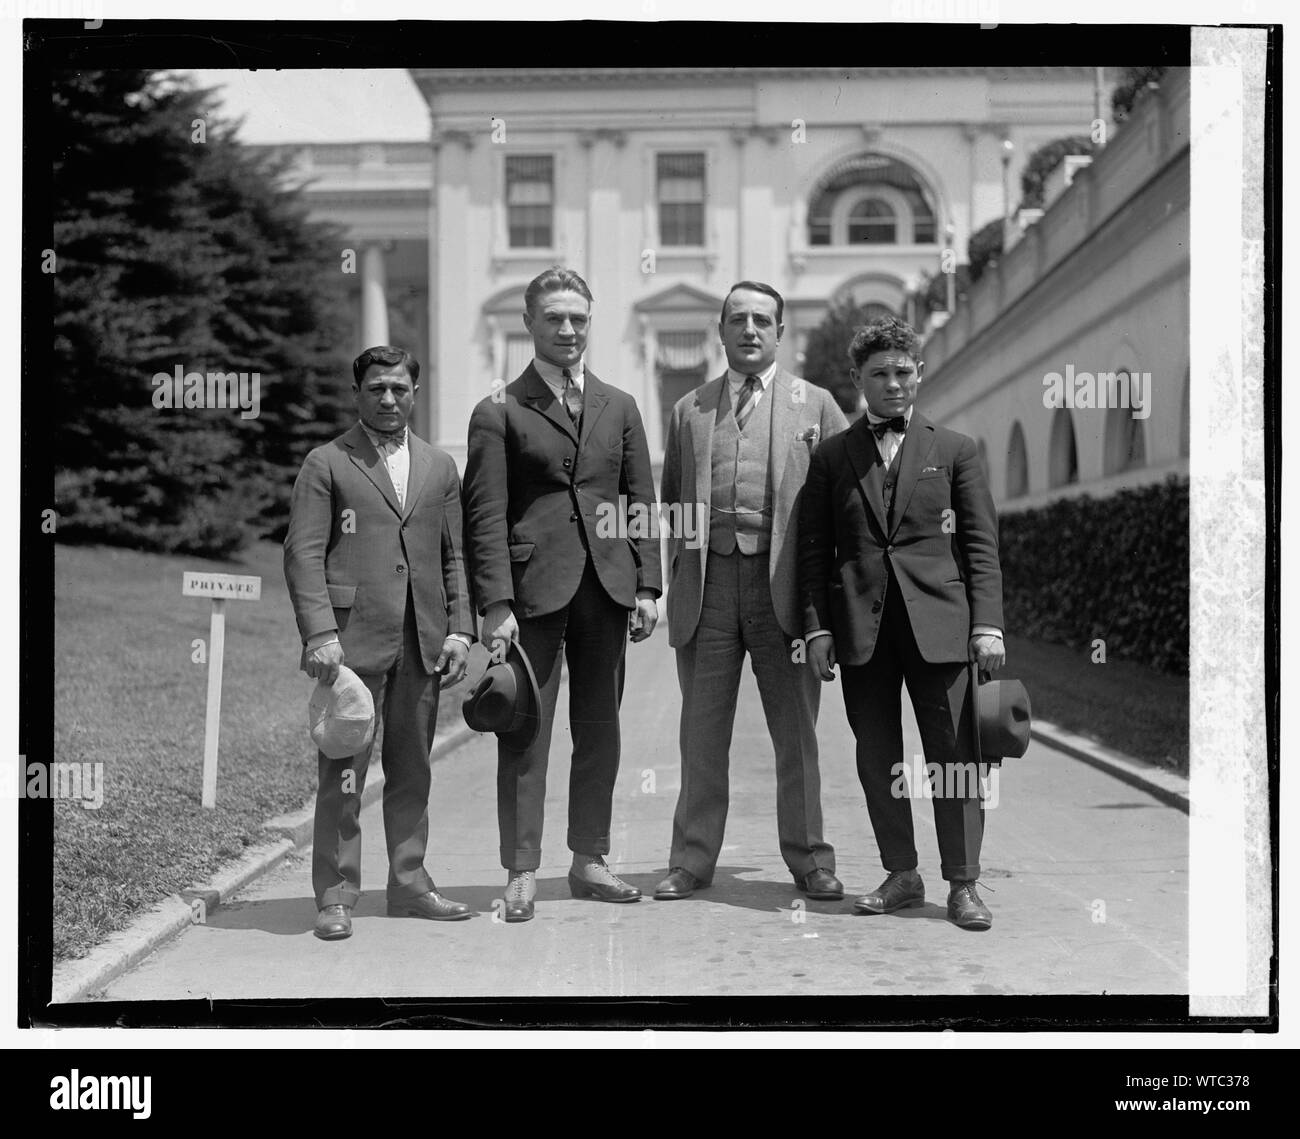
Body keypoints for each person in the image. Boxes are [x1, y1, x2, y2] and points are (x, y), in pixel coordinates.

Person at [462, 267, 662, 923]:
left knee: (600, 730)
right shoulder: (498, 410)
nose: (568, 329)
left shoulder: (621, 405)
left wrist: (648, 584)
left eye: (578, 317)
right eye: (554, 317)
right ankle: (522, 869)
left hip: (607, 588)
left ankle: (589, 859)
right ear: (529, 323)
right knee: (526, 732)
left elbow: (638, 502)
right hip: (530, 596)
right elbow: (485, 515)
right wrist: (495, 603)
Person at [798, 316, 1005, 931]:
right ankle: (902, 874)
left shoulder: (955, 450)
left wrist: (987, 625)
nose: (893, 384)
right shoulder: (834, 456)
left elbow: (981, 546)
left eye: (903, 372)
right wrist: (817, 628)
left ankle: (963, 883)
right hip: (863, 633)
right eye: (879, 374)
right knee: (879, 758)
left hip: (942, 628)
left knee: (954, 756)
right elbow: (814, 550)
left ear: (918, 375)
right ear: (858, 380)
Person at [654, 281, 847, 903]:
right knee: (701, 735)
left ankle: (811, 859)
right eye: (737, 319)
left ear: (781, 332)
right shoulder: (690, 410)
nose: (749, 330)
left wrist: (829, 606)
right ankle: (691, 860)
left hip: (784, 591)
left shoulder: (814, 406)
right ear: (720, 331)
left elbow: (843, 504)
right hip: (708, 590)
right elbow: (675, 503)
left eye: (763, 320)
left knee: (796, 735)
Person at [284, 345, 476, 940]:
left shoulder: (440, 466)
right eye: (376, 389)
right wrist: (320, 633)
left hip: (421, 642)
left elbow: (454, 556)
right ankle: (336, 894)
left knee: (412, 768)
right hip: (351, 647)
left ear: (415, 393)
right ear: (358, 394)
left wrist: (461, 628)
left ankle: (410, 883)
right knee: (344, 772)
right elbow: (303, 552)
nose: (389, 399)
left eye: (399, 388)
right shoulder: (328, 462)